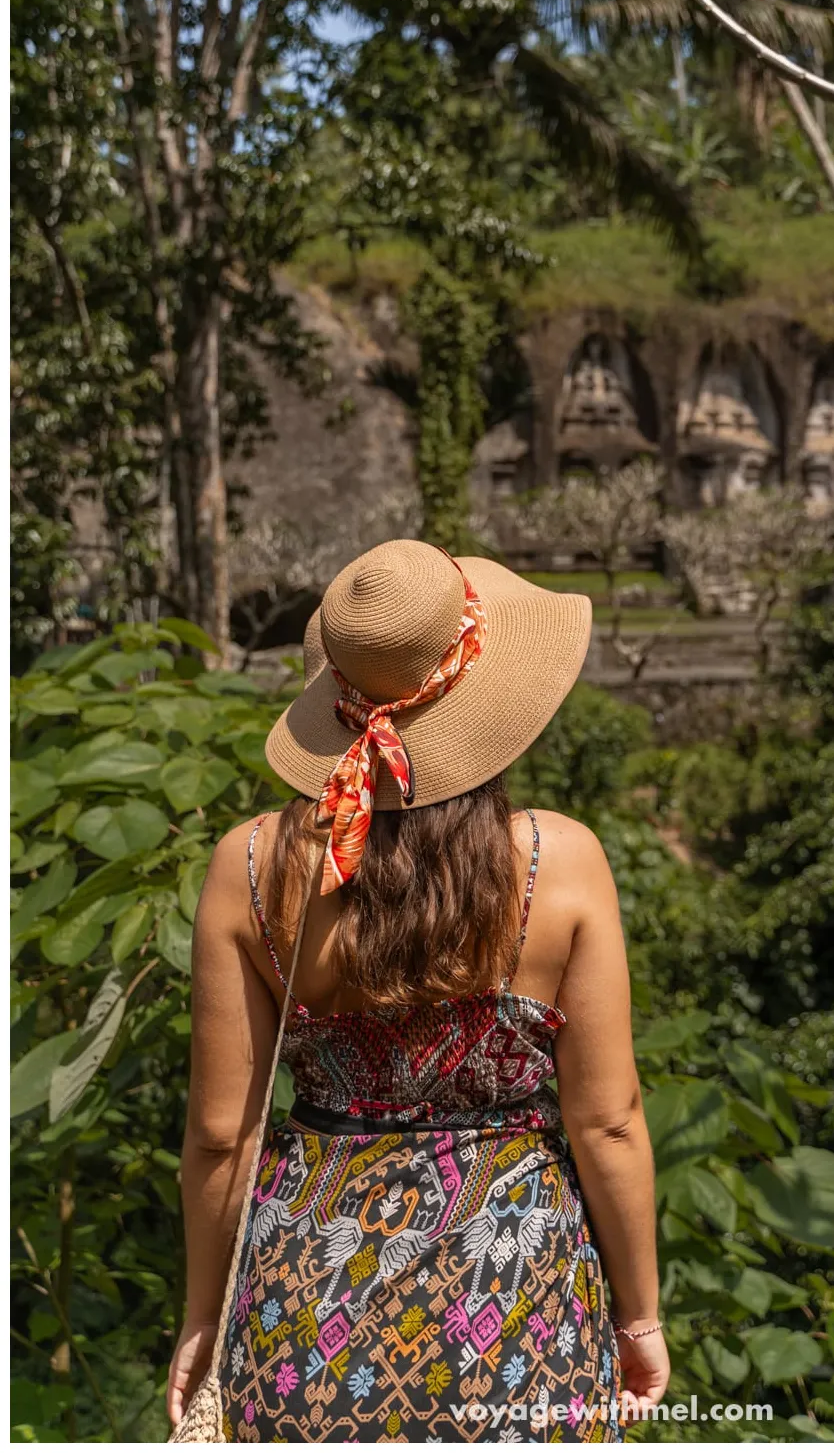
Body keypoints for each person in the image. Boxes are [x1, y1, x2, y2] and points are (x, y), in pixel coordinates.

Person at [166, 541, 668, 1441]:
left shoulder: (252, 867)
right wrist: (639, 1318)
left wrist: (205, 1316)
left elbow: (218, 1136)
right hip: (517, 1306)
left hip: (305, 1309)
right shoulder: (558, 863)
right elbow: (609, 1124)